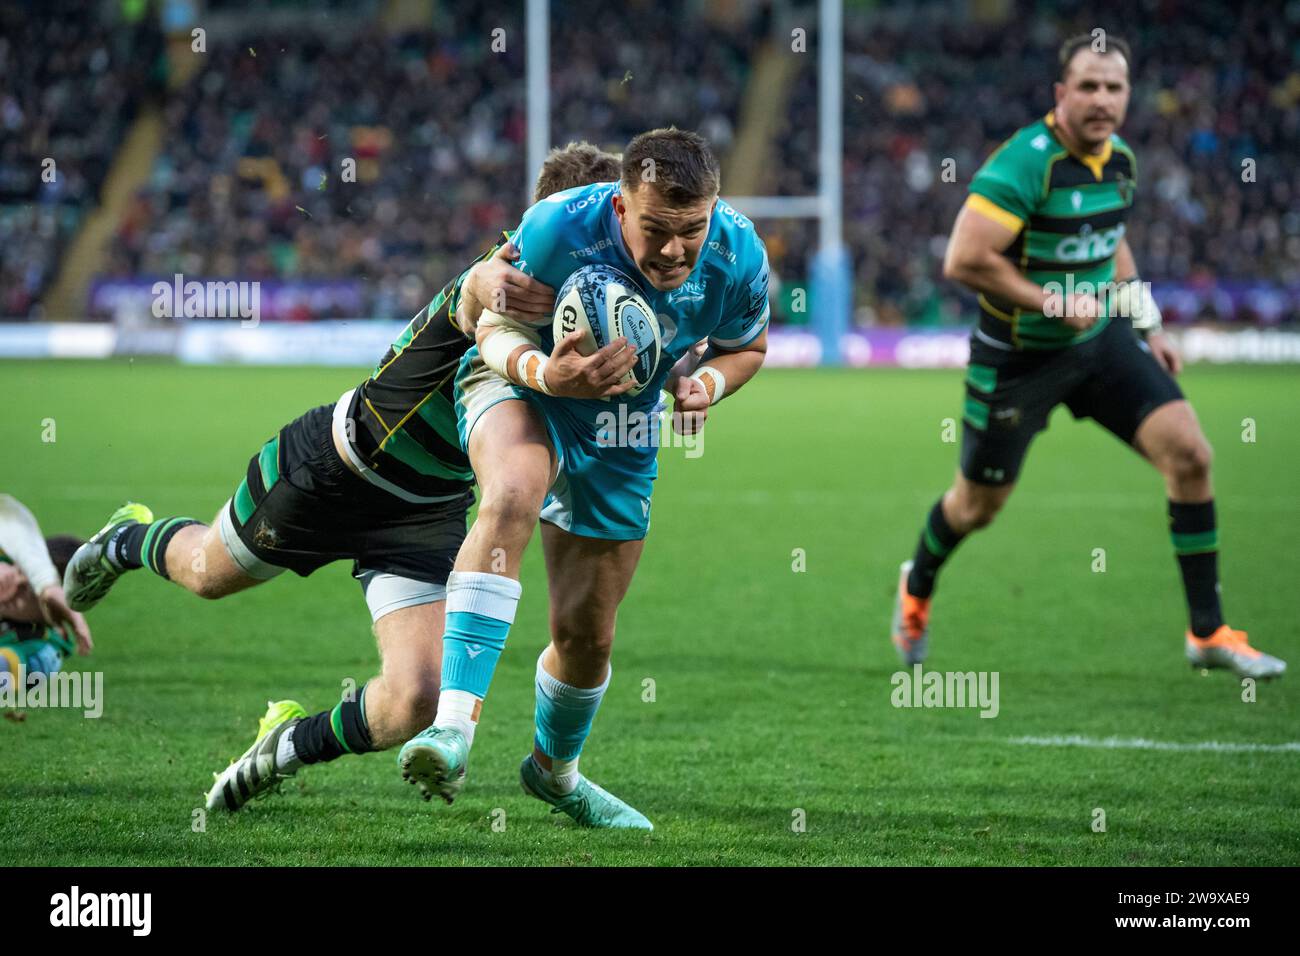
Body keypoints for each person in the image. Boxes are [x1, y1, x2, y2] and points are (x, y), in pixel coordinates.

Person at [62, 144, 626, 811]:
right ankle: (127, 540)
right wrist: (485, 288)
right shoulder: (505, 273)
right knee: (206, 574)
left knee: (415, 699)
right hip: (335, 467)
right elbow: (478, 292)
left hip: (428, 509)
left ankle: (285, 745)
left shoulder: (597, 305)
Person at [398, 128, 771, 829]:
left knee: (587, 635)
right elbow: (491, 327)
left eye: (690, 230)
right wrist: (548, 373)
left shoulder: (739, 252)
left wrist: (708, 386)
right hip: (525, 386)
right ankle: (452, 729)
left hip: (624, 428)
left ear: (713, 212)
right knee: (512, 490)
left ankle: (555, 773)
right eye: (655, 228)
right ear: (622, 206)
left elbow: (747, 347)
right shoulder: (559, 225)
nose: (672, 250)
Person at [889, 35, 1285, 680]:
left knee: (1191, 455)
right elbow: (962, 259)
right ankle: (918, 584)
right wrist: (1047, 301)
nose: (1102, 99)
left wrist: (1147, 322)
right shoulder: (1024, 163)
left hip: (1099, 342)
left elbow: (1111, 242)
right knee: (976, 507)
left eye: (1115, 87)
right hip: (1016, 361)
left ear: (1128, 96)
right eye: (1089, 86)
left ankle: (1207, 632)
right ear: (1061, 94)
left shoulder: (1120, 160)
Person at [0, 494, 90, 691]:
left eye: (29, 591)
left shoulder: (41, 654)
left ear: (55, 612)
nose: (14, 586)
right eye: (19, 569)